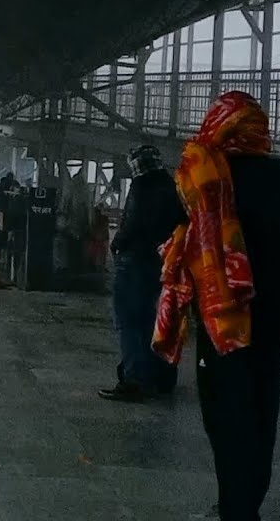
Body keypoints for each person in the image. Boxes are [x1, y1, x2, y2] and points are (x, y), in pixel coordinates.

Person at [152, 91, 280, 521]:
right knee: (260, 411)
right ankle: (246, 504)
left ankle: (233, 503)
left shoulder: (201, 171)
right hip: (269, 318)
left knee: (222, 409)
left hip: (221, 317)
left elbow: (171, 232)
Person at [99, 144, 182, 402]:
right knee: (152, 320)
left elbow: (133, 223)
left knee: (128, 321)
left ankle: (135, 379)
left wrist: (116, 243)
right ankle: (161, 377)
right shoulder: (172, 186)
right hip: (160, 262)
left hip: (133, 260)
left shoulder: (141, 186)